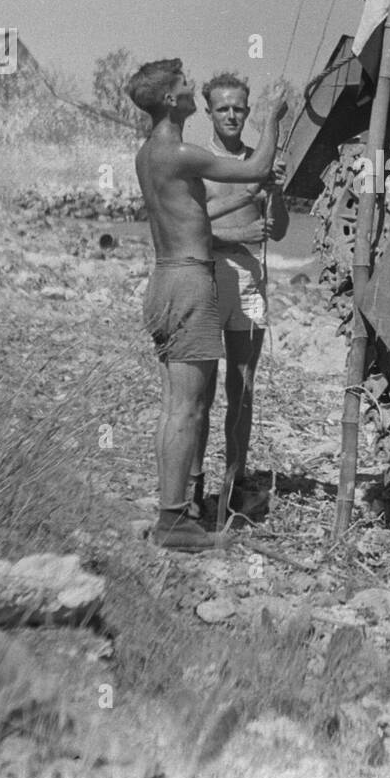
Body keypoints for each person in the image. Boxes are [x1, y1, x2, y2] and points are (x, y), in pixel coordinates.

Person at [127, 59, 286, 551]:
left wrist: (245, 203)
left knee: (178, 405)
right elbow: (257, 166)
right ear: (172, 101)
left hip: (165, 278)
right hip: (190, 282)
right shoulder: (180, 152)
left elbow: (195, 212)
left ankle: (175, 510)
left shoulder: (149, 154)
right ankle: (175, 521)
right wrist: (275, 114)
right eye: (184, 84)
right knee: (190, 409)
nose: (191, 85)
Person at [195, 70, 289, 520]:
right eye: (222, 108)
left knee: (244, 387)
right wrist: (241, 233)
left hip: (250, 279)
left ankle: (233, 480)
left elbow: (281, 231)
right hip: (210, 276)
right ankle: (193, 487)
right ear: (208, 112)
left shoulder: (259, 160)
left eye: (239, 108)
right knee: (201, 388)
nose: (231, 115)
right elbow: (189, 230)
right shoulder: (198, 162)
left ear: (248, 112)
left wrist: (278, 194)